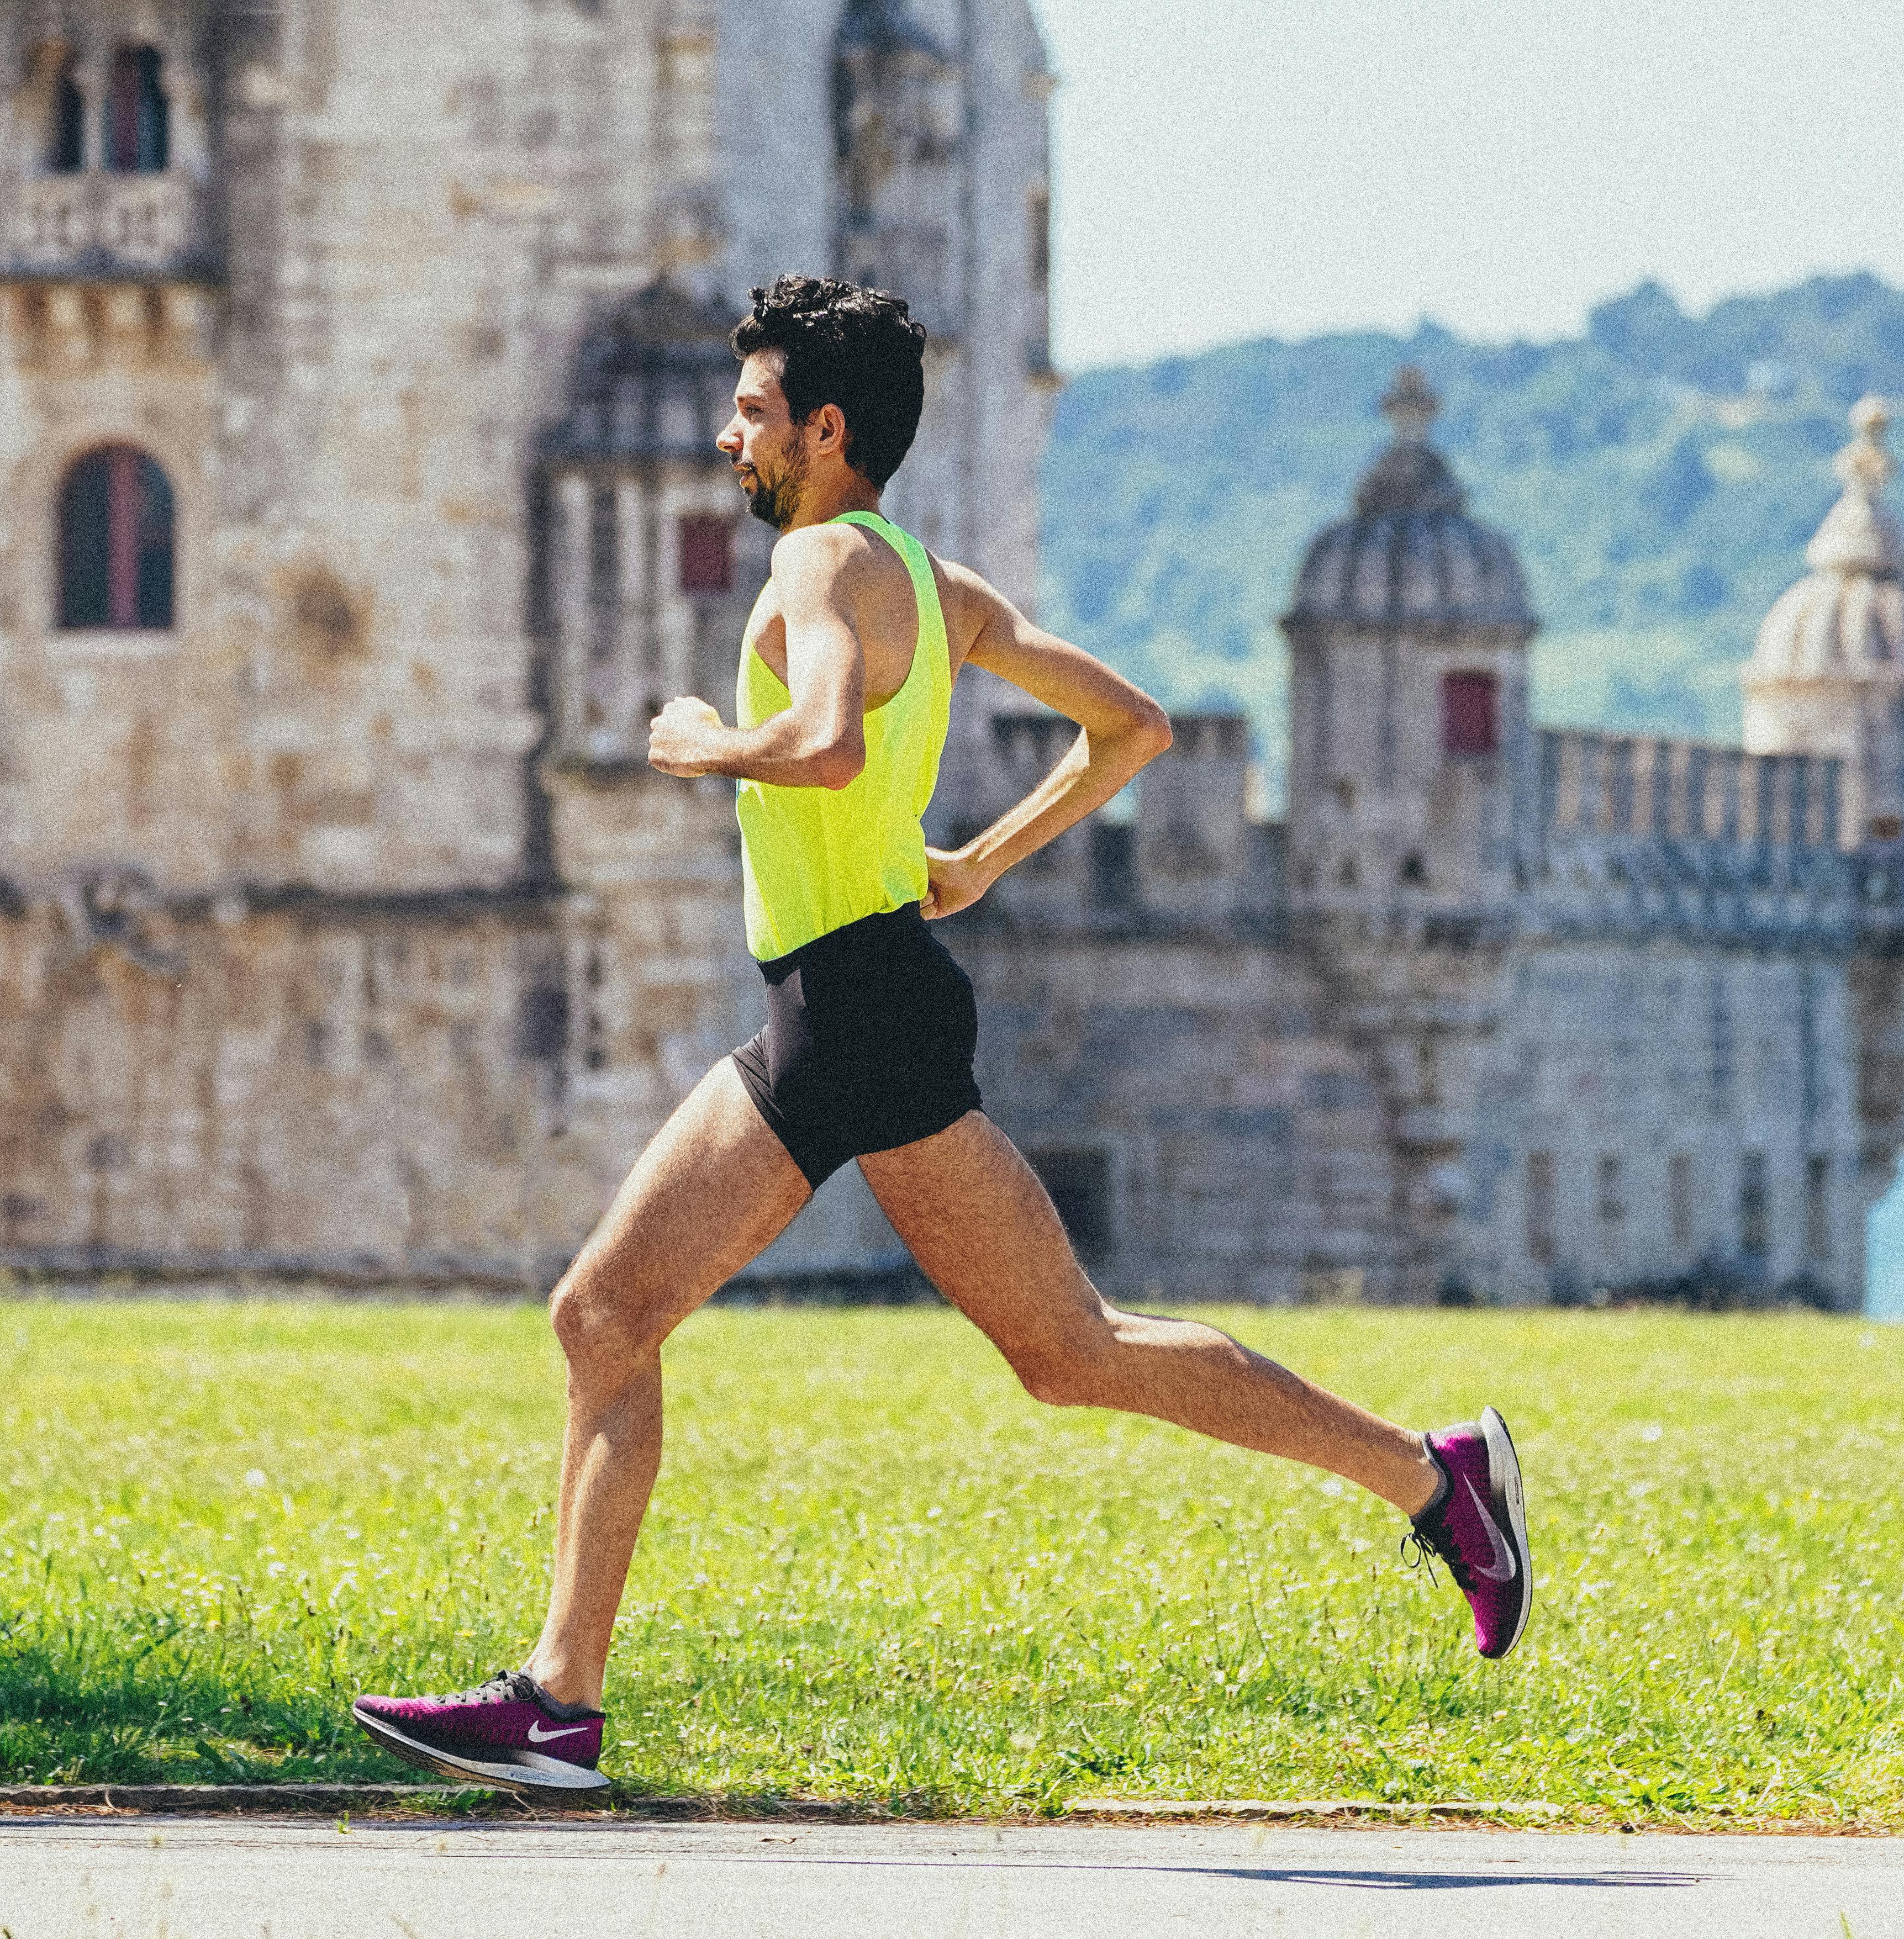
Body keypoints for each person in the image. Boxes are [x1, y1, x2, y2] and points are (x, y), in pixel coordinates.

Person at [350, 276, 1531, 1799]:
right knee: (1064, 1353)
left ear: (824, 429)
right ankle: (1429, 1479)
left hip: (848, 1003)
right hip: (864, 992)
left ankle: (557, 1704)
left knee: (606, 1316)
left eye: (755, 411)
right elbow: (1134, 726)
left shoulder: (821, 562)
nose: (729, 436)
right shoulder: (926, 574)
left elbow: (830, 742)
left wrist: (712, 742)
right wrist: (974, 861)